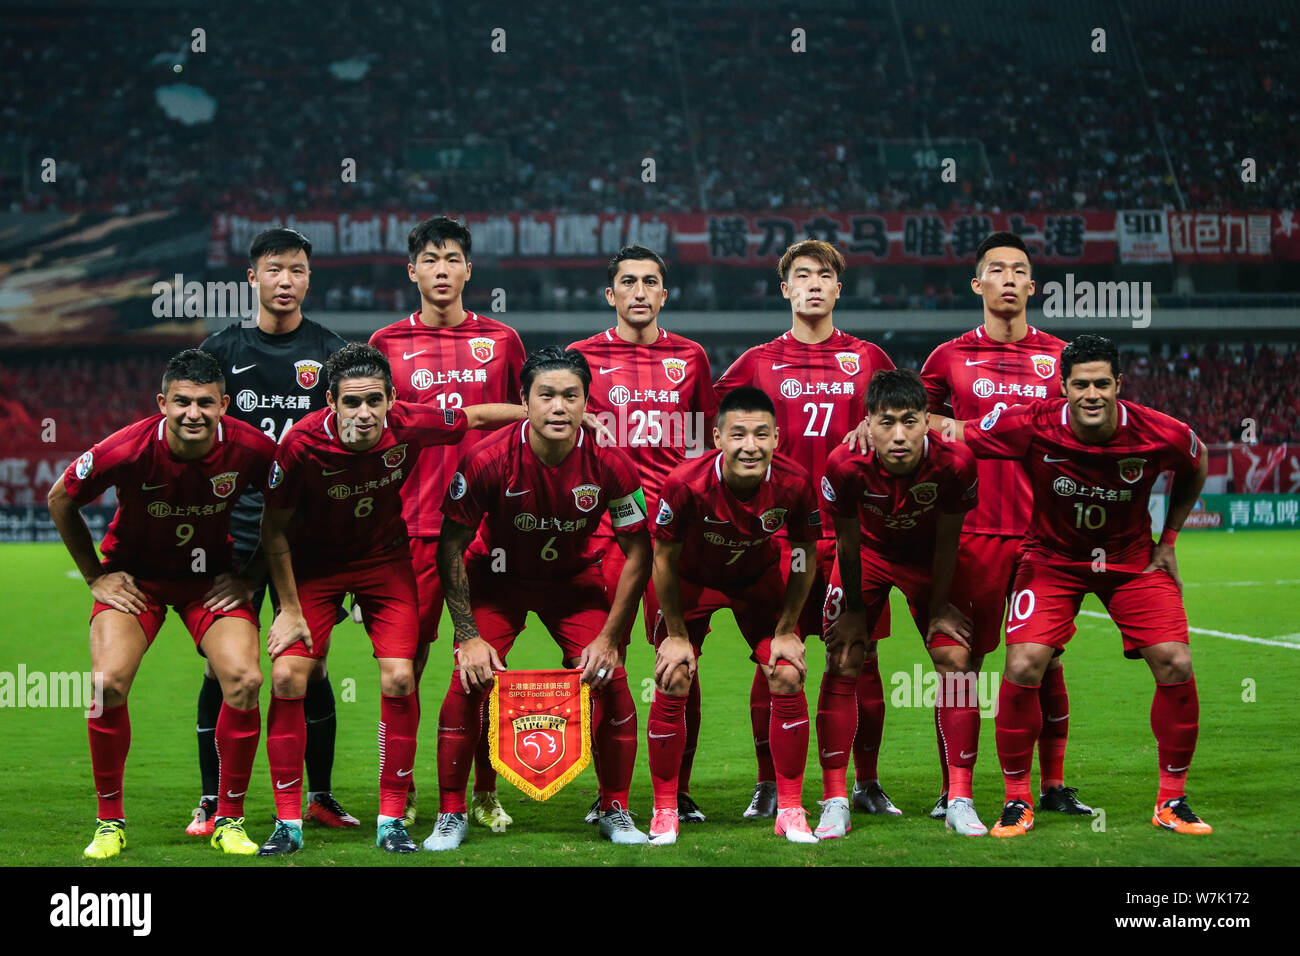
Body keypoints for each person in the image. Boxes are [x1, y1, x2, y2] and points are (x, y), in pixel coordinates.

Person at [256, 343, 525, 855]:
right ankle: (287, 823)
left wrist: (541, 413)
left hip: (384, 560)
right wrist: (289, 609)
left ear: (391, 399)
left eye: (374, 401)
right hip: (316, 568)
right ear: (330, 403)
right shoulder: (300, 445)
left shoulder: (412, 422)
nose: (364, 414)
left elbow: (474, 415)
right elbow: (273, 532)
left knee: (401, 675)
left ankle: (390, 818)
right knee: (289, 675)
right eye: (351, 403)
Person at [940, 334, 1212, 837]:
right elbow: (956, 431)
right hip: (1052, 559)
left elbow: (1198, 462)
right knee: (1023, 664)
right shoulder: (1030, 422)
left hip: (1131, 561)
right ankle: (1017, 800)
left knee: (1176, 661)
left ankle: (1171, 800)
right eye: (1081, 384)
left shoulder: (1160, 432)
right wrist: (886, 423)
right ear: (1062, 386)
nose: (1092, 394)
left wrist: (1169, 538)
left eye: (1102, 384)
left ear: (1119, 385)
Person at [49, 349, 275, 858]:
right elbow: (59, 497)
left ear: (225, 406)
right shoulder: (125, 449)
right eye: (181, 402)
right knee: (106, 685)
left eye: (205, 403)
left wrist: (252, 577)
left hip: (207, 584)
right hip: (137, 583)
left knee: (245, 679)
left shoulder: (253, 449)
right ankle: (110, 822)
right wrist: (95, 576)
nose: (193, 412)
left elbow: (288, 509)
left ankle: (229, 819)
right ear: (162, 403)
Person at [425, 346, 651, 851]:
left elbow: (639, 552)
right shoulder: (486, 459)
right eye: (545, 395)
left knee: (609, 679)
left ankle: (614, 807)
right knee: (468, 680)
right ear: (524, 401)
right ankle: (451, 813)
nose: (558, 407)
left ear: (587, 403)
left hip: (571, 584)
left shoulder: (611, 463)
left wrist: (612, 638)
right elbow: (451, 547)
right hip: (497, 582)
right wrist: (468, 636)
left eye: (571, 396)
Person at [715, 239, 895, 819]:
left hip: (852, 537)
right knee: (774, 659)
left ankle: (865, 783)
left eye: (825, 275)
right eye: (801, 275)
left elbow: (900, 433)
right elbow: (719, 438)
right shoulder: (756, 363)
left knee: (860, 659)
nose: (813, 284)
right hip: (778, 539)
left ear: (838, 289)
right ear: (785, 289)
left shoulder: (869, 360)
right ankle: (770, 784)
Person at [189, 226, 355, 837]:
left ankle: (320, 795)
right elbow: (196, 439)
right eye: (275, 270)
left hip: (308, 538)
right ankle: (212, 800)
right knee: (222, 668)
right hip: (231, 535)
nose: (286, 281)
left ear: (310, 279)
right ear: (252, 278)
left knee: (308, 665)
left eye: (298, 270)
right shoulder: (219, 351)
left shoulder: (333, 353)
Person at [916, 231, 1089, 820]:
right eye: (998, 269)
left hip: (1044, 538)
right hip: (970, 535)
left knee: (1045, 662)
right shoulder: (947, 358)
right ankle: (955, 790)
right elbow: (912, 421)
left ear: (1032, 286)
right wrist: (949, 428)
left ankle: (1054, 785)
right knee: (959, 664)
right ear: (978, 283)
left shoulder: (1062, 360)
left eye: (1020, 270)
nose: (1009, 278)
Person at [369, 216, 526, 832]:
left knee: (483, 671)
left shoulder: (503, 341)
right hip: (407, 529)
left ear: (468, 270)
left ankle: (483, 792)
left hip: (488, 532)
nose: (441, 268)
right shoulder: (384, 344)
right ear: (412, 271)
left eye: (452, 258)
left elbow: (526, 422)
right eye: (429, 259)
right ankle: (399, 791)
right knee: (402, 671)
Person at [567, 244, 717, 825]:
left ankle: (675, 790)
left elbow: (707, 448)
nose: (638, 292)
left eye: (649, 282)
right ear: (610, 295)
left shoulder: (692, 358)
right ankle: (612, 796)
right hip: (604, 532)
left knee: (680, 658)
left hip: (672, 538)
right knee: (605, 662)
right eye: (626, 282)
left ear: (663, 294)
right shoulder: (581, 357)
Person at [647, 385, 820, 846]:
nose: (750, 445)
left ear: (777, 438)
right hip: (689, 581)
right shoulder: (685, 483)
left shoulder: (795, 482)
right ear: (718, 438)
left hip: (755, 579)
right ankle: (666, 808)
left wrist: (786, 628)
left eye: (761, 434)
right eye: (738, 434)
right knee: (675, 674)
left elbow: (804, 553)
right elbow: (662, 559)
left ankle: (789, 808)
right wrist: (678, 634)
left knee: (786, 671)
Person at [820, 370, 984, 838]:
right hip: (868, 555)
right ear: (867, 423)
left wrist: (939, 606)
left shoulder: (956, 462)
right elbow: (846, 545)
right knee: (844, 659)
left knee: (956, 660)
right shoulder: (844, 464)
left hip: (928, 558)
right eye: (886, 421)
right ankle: (835, 799)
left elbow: (950, 542)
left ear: (927, 422)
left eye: (909, 421)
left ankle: (959, 797)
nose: (897, 434)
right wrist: (854, 612)